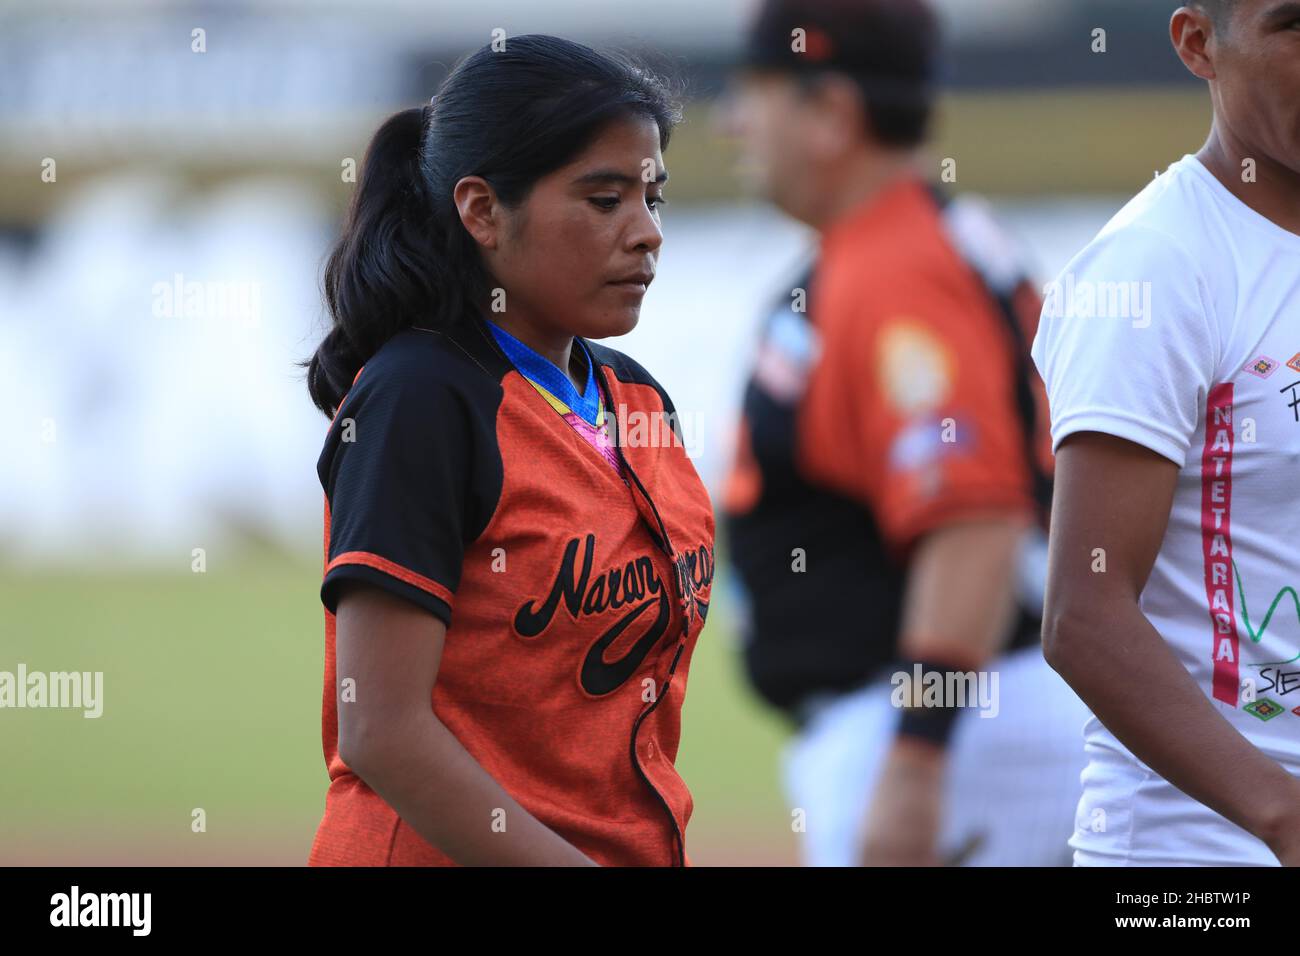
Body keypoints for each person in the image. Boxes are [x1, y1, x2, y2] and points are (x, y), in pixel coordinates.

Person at [302, 35, 714, 867]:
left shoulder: (635, 398)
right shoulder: (421, 398)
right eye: (604, 200)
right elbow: (381, 730)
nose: (646, 234)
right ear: (483, 211)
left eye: (653, 199)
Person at [718, 0, 1089, 866]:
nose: (736, 122)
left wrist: (917, 761)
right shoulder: (903, 242)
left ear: (831, 113)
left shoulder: (897, 268)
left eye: (758, 92)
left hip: (955, 731)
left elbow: (972, 523)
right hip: (970, 713)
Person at [1033, 0, 1300, 866]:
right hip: (1201, 855)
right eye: (1296, 24)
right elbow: (1084, 613)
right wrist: (1282, 814)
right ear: (1198, 45)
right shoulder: (1157, 266)